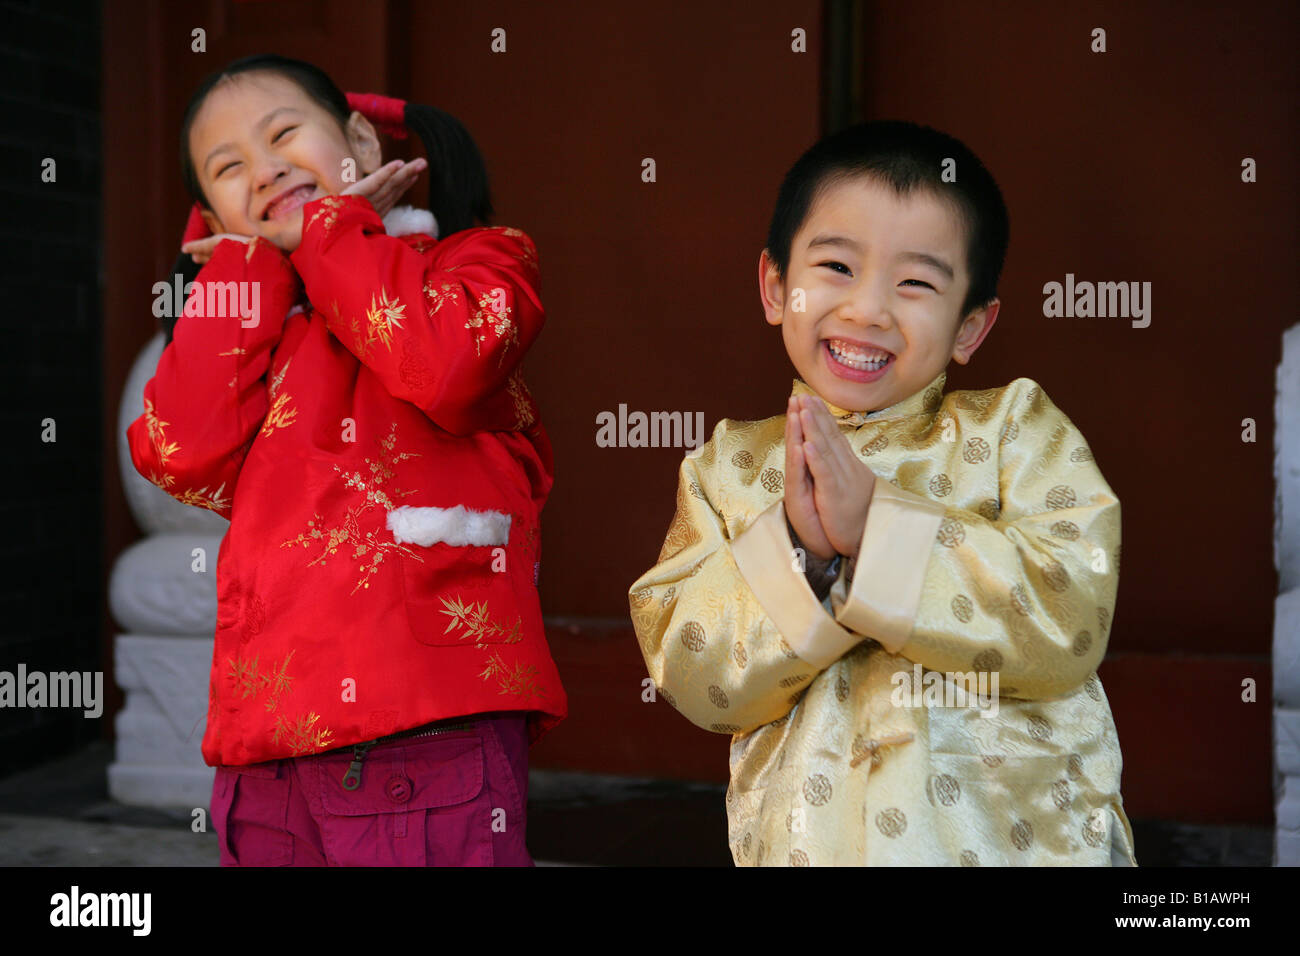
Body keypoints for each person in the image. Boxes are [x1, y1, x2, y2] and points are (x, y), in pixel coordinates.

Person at [629, 120, 1137, 866]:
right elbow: (695, 674)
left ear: (971, 325)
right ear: (775, 286)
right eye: (836, 266)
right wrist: (800, 549)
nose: (868, 309)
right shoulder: (731, 468)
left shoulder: (1014, 433)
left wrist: (878, 528)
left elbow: (1071, 617)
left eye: (916, 283)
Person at [126, 54, 565, 866]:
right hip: (264, 744)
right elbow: (179, 453)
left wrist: (331, 231)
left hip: (424, 722)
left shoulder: (478, 262)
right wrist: (247, 269)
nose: (263, 171)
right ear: (209, 215)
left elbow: (448, 363)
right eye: (229, 169)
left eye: (284, 134)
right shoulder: (256, 325)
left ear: (361, 139)